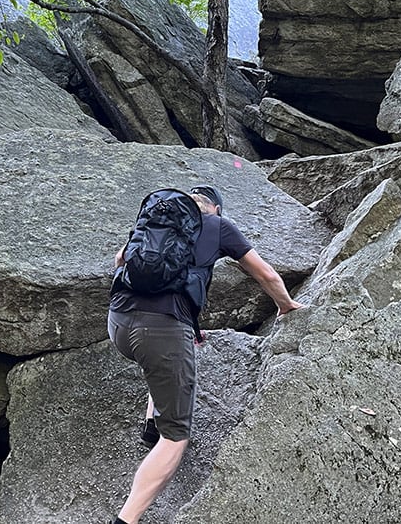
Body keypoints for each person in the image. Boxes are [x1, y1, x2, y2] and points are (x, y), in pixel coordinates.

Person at [106, 184, 305, 524]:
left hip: (119, 322)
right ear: (216, 208)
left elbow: (120, 259)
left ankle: (151, 422)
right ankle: (126, 519)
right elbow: (266, 273)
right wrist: (286, 305)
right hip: (162, 329)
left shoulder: (156, 218)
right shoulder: (218, 226)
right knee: (176, 438)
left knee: (164, 363)